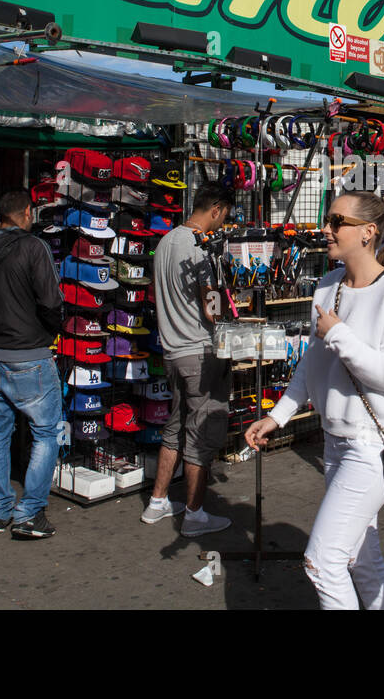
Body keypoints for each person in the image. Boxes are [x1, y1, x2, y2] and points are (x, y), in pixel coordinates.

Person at [245, 193, 384, 609]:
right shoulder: (328, 285)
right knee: (361, 559)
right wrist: (278, 416)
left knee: (322, 561)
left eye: (335, 221)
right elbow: (313, 363)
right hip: (335, 440)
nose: (325, 229)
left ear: (368, 233)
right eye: (328, 220)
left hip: (372, 445)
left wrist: (339, 334)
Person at [0, 190, 65, 538]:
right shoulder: (33, 247)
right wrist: (49, 330)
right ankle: (29, 512)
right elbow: (52, 302)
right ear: (25, 214)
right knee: (46, 433)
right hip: (29, 356)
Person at [144, 181, 236, 536]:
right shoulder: (199, 248)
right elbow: (211, 309)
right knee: (201, 432)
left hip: (172, 351)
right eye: (223, 215)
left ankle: (157, 501)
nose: (221, 223)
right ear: (216, 209)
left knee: (175, 427)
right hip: (198, 351)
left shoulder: (166, 241)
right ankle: (195, 514)